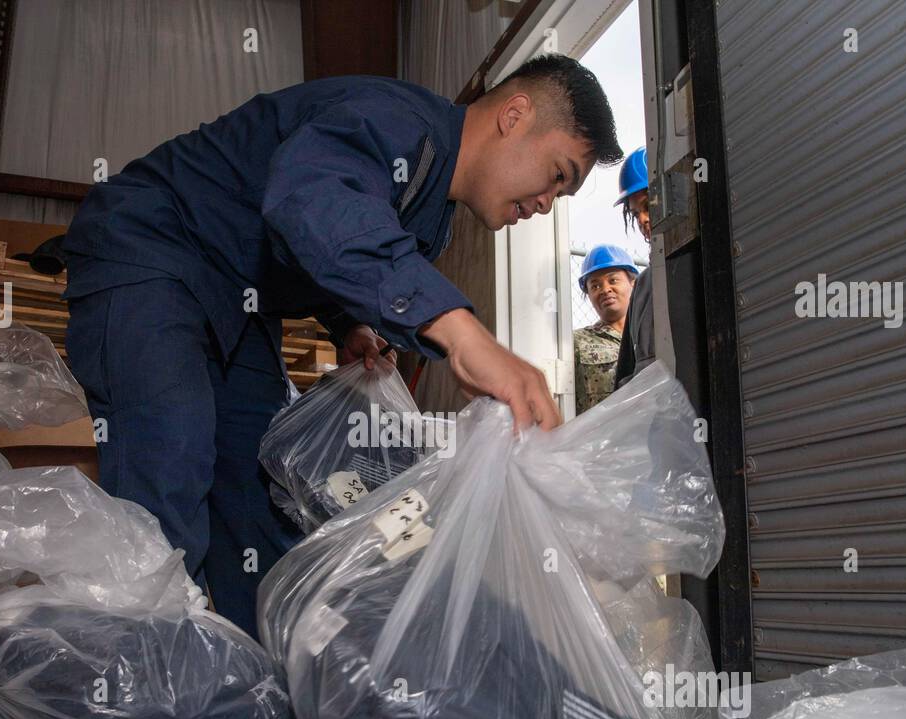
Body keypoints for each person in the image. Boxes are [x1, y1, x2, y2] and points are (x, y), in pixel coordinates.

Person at [61, 55, 622, 634]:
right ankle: (133, 683)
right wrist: (461, 333)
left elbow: (319, 249)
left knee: (261, 490)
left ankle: (258, 690)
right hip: (152, 248)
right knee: (170, 459)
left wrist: (347, 323)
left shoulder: (433, 214)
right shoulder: (398, 122)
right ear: (515, 114)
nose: (546, 204)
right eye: (557, 175)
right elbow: (309, 198)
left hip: (239, 300)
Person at [572, 244, 639, 413]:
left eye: (613, 280)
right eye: (595, 286)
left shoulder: (653, 335)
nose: (605, 289)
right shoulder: (577, 343)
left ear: (633, 283)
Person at [614, 145, 656, 387]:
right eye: (636, 212)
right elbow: (628, 369)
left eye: (649, 206)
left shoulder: (697, 267)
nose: (642, 220)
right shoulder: (644, 283)